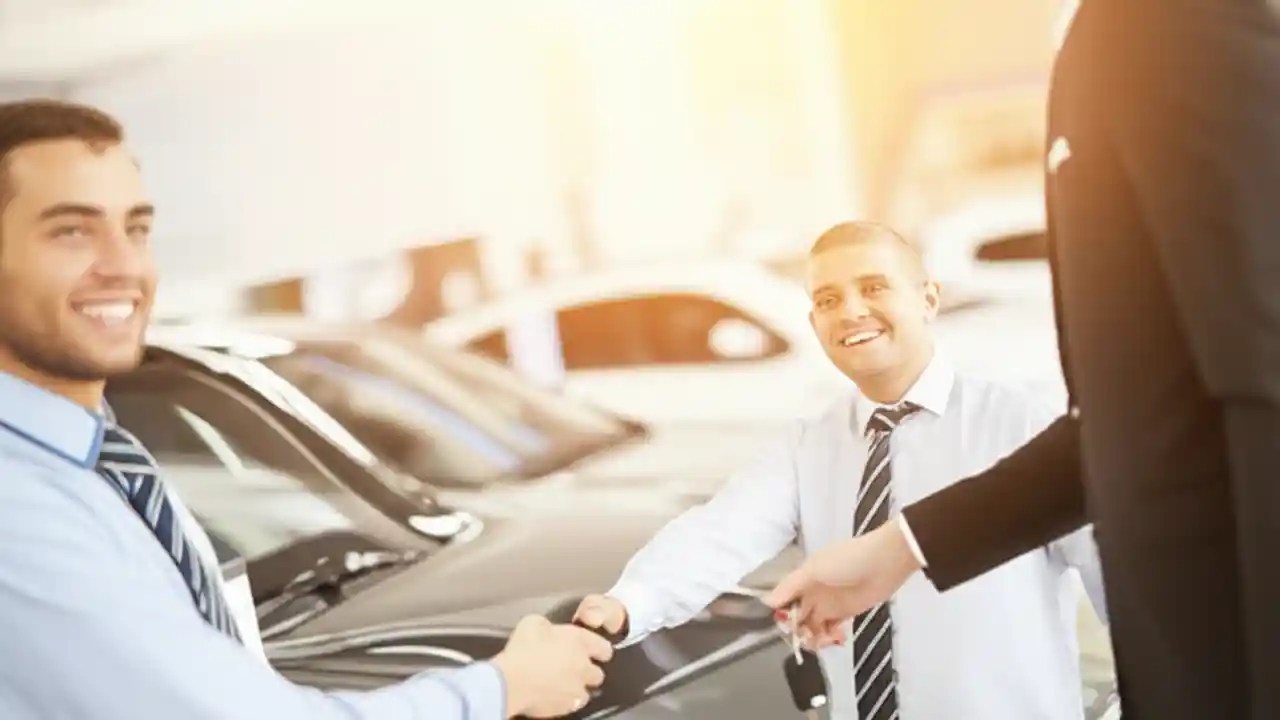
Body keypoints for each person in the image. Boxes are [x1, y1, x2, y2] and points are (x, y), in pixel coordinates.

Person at [0, 98, 611, 720]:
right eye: (71, 231)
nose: (125, 266)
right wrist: (505, 688)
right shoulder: (18, 506)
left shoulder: (99, 459)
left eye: (135, 229)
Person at [766, 3, 1280, 719]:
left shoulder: (1175, 20)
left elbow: (1261, 376)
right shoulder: (1108, 33)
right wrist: (901, 549)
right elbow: (1136, 412)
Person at [573, 221, 1108, 720]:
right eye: (828, 300)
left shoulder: (1023, 427)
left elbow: (1118, 581)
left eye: (874, 288)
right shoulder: (809, 446)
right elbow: (717, 534)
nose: (851, 311)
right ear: (813, 323)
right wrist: (628, 604)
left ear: (928, 298)